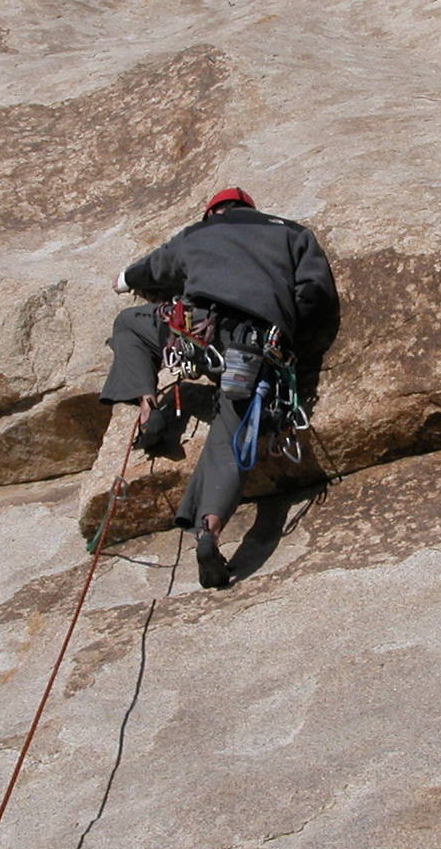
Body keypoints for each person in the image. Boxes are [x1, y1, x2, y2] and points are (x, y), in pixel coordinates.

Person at [102, 188, 337, 588]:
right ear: (251, 209)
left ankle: (147, 403)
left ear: (213, 212)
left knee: (129, 325)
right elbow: (314, 292)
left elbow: (156, 267)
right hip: (256, 344)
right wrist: (286, 335)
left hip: (195, 330)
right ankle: (208, 528)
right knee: (232, 433)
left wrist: (125, 280)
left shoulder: (199, 233)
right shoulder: (293, 233)